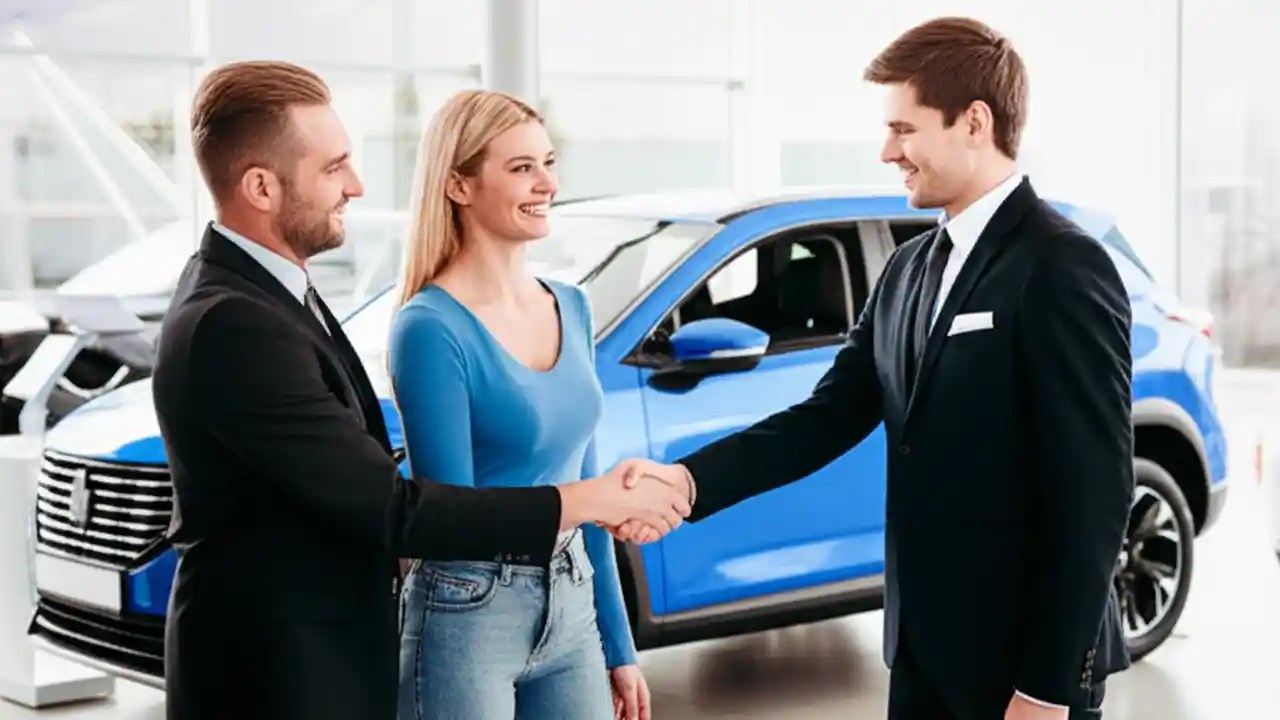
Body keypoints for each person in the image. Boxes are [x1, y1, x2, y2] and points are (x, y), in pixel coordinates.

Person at [612, 17, 1133, 720]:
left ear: (974, 122)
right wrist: (687, 482)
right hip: (922, 653)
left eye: (904, 128)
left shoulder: (1062, 265)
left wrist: (1047, 689)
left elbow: (1093, 494)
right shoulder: (910, 268)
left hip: (1020, 673)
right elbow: (825, 418)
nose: (888, 151)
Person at [151, 61, 689, 720]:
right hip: (283, 670)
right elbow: (398, 511)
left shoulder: (271, 293)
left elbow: (340, 468)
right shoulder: (237, 321)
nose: (357, 185)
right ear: (261, 186)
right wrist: (597, 499)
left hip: (529, 603)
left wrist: (615, 633)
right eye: (333, 168)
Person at [388, 89, 657, 720]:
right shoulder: (429, 328)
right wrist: (593, 500)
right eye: (521, 168)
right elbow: (450, 518)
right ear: (459, 186)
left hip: (571, 600)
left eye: (549, 163)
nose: (546, 184)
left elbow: (586, 485)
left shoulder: (573, 305)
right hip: (467, 611)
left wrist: (620, 647)